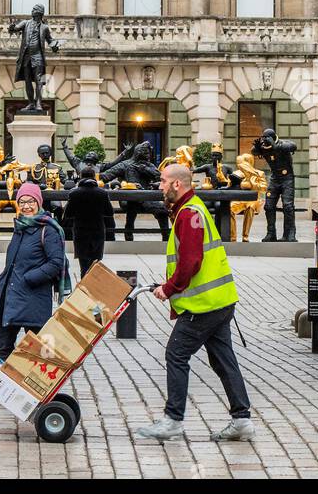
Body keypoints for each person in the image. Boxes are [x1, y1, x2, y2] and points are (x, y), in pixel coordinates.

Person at [137, 163, 254, 443]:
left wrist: (170, 288)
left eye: (163, 181)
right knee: (224, 360)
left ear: (177, 184)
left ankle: (173, 420)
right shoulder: (192, 209)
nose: (160, 186)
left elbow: (191, 261)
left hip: (203, 305)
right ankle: (242, 420)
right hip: (221, 301)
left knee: (176, 354)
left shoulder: (189, 214)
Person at [0, 183, 69, 362]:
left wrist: (30, 279)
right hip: (12, 293)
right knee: (4, 343)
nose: (26, 206)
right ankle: (4, 383)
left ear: (39, 202)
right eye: (22, 201)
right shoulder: (21, 226)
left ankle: (34, 385)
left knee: (36, 347)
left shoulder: (48, 229)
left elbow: (56, 262)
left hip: (33, 295)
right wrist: (3, 278)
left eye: (31, 201)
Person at [61, 167, 116, 278]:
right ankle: (94, 288)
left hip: (81, 232)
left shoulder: (74, 193)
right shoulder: (102, 193)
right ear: (94, 177)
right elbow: (109, 212)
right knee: (95, 264)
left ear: (81, 177)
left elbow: (68, 214)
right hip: (97, 231)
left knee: (84, 266)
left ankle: (84, 290)